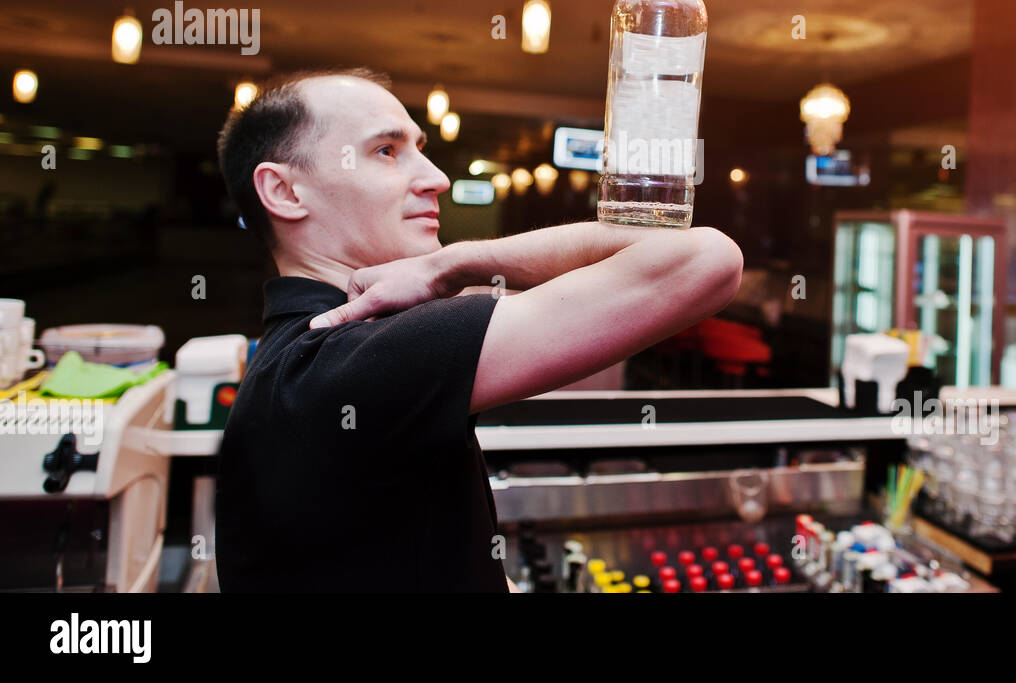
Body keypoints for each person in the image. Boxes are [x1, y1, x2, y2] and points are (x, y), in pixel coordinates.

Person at [213, 67, 742, 592]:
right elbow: (706, 260)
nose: (436, 177)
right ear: (282, 191)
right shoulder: (345, 360)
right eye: (386, 151)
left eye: (419, 148)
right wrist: (451, 263)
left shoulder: (305, 356)